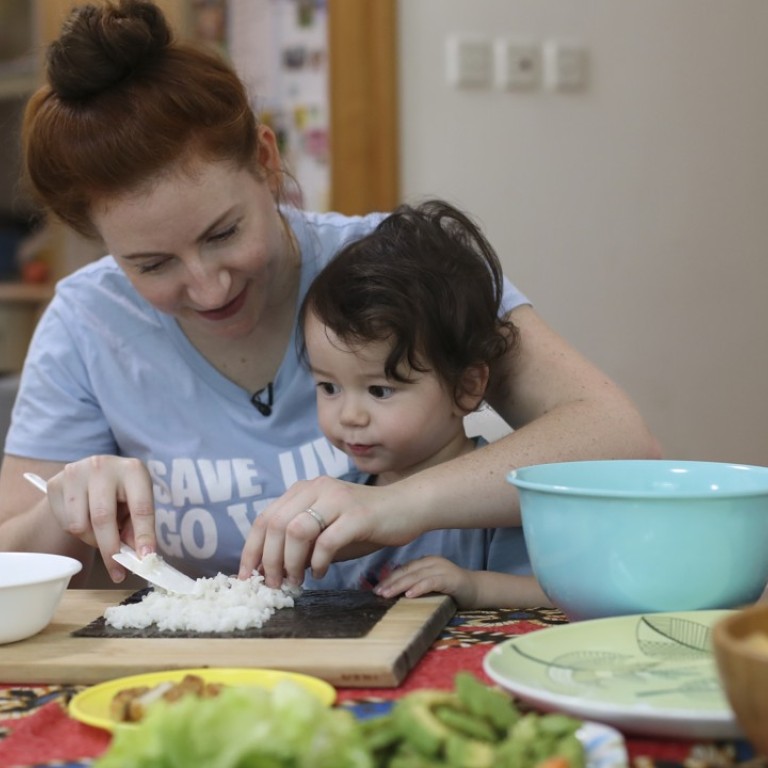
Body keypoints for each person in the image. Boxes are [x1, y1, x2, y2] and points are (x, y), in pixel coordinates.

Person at [0, 0, 659, 591]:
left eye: (224, 232)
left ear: (265, 161)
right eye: (151, 264)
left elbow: (620, 442)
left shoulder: (394, 262)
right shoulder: (89, 322)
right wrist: (61, 512)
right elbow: (10, 562)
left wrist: (392, 506)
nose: (208, 286)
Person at [297, 199, 550, 606]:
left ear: (467, 387)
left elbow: (558, 595)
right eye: (328, 387)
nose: (349, 416)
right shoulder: (342, 503)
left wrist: (473, 586)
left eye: (379, 391)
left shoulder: (500, 500)